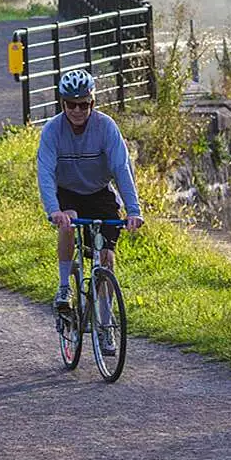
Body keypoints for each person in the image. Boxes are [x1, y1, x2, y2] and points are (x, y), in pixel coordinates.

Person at [36, 69, 144, 355]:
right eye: (71, 104)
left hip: (99, 192)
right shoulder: (52, 131)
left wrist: (133, 210)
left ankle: (105, 325)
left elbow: (122, 169)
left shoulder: (106, 127)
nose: (77, 110)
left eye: (83, 104)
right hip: (67, 192)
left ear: (92, 103)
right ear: (63, 105)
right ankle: (63, 287)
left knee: (106, 258)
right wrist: (54, 210)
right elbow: (45, 172)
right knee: (68, 224)